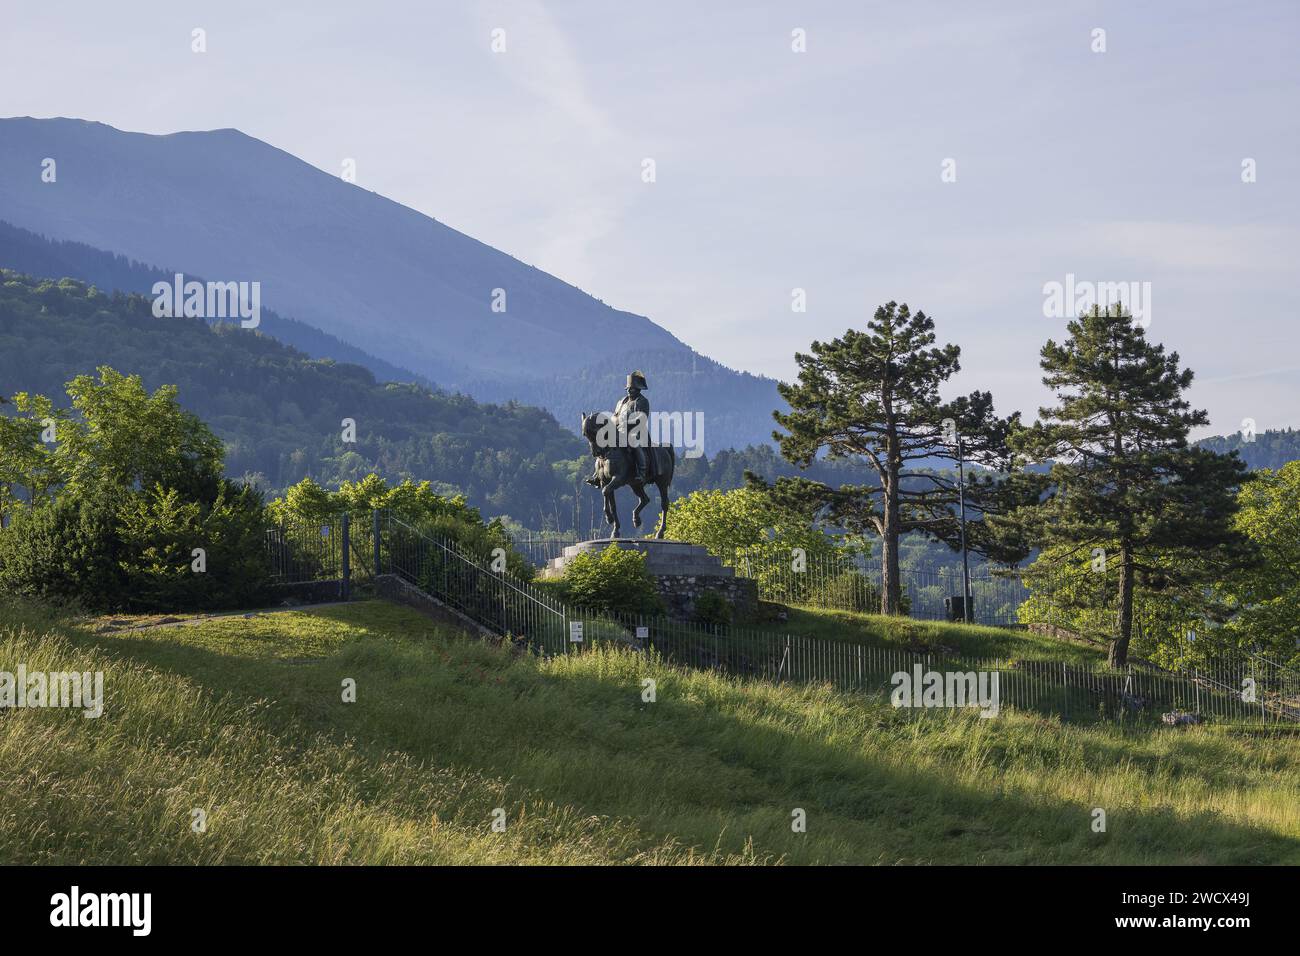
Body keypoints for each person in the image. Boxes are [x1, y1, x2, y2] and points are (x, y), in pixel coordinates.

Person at [586, 370, 651, 486]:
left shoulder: (642, 401)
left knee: (635, 445)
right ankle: (598, 474)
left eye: (632, 388)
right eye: (628, 388)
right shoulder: (621, 402)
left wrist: (626, 423)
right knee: (603, 445)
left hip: (636, 432)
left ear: (638, 389)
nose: (629, 390)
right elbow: (615, 416)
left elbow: (642, 418)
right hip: (619, 431)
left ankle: (642, 473)